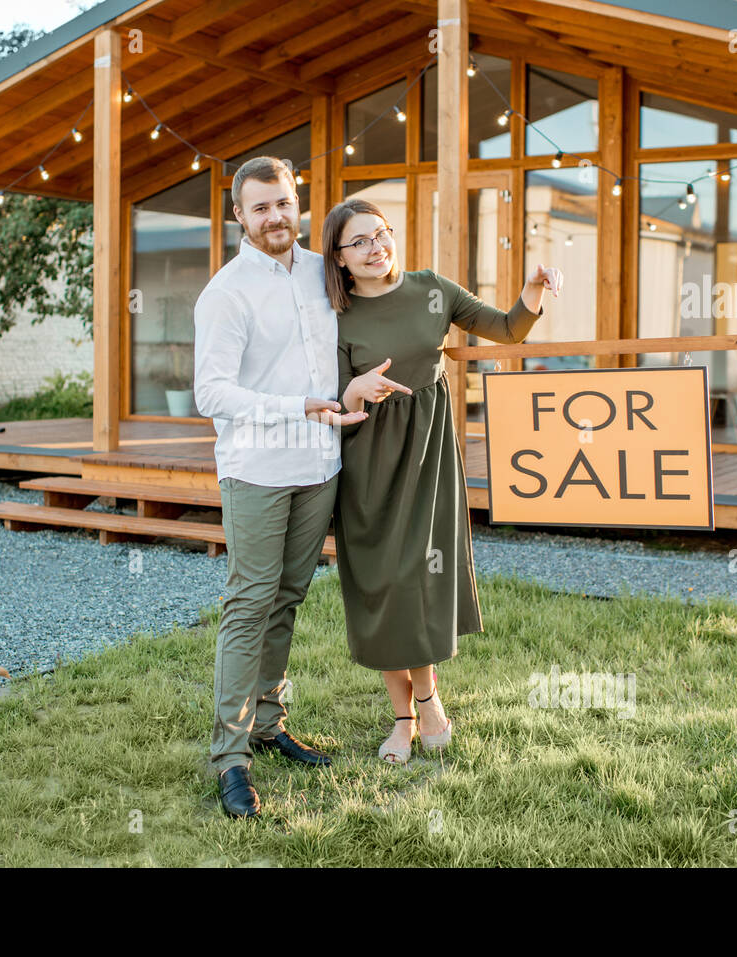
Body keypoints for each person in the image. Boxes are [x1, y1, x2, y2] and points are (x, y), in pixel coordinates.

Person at [323, 197, 562, 764]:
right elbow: (330, 396)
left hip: (426, 451)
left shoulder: (432, 289)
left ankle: (426, 701)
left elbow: (506, 331)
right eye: (359, 242)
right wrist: (352, 392)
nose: (375, 248)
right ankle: (406, 717)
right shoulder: (333, 313)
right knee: (380, 583)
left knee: (417, 579)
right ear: (339, 257)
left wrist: (534, 292)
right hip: (366, 456)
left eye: (380, 234)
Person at [193, 157, 368, 818]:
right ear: (238, 214)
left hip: (318, 467)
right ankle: (230, 755)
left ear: (299, 203)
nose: (276, 217)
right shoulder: (227, 292)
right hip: (258, 470)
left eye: (285, 203)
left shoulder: (326, 271)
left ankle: (268, 720)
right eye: (261, 207)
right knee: (249, 603)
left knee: (288, 597)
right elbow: (213, 392)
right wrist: (298, 405)